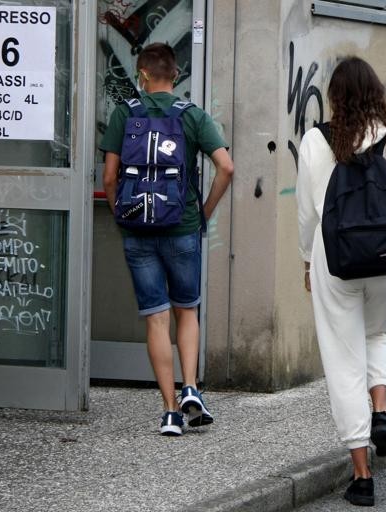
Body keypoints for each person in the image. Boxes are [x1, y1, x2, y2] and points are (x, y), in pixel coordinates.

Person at [296, 56, 386, 507]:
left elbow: (308, 213)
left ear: (335, 97)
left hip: (337, 259)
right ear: (376, 91)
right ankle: (381, 412)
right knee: (376, 333)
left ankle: (362, 476)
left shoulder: (316, 140)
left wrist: (308, 261)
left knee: (343, 363)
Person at [98, 43, 234, 435]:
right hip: (182, 227)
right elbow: (226, 167)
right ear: (175, 76)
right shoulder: (192, 116)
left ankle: (171, 410)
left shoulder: (124, 114)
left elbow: (109, 178)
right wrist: (203, 212)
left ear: (142, 75)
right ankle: (191, 386)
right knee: (186, 311)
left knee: (156, 319)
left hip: (137, 231)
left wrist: (123, 216)